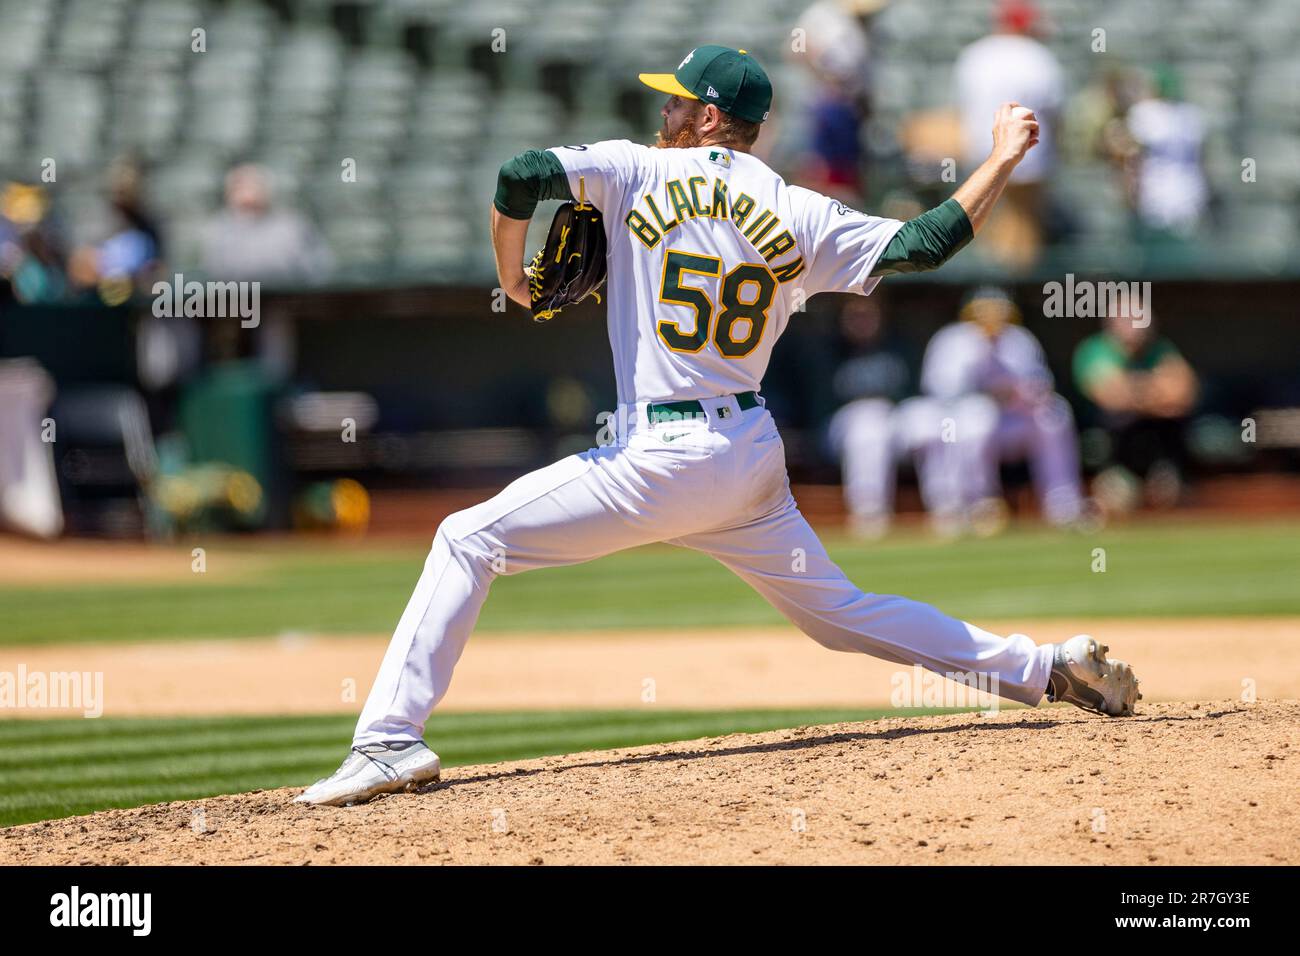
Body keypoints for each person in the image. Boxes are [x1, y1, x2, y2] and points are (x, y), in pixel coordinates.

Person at [296, 46, 1141, 808]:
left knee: (464, 539)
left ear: (706, 116)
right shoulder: (798, 208)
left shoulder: (635, 171)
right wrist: (999, 156)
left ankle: (388, 741)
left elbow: (520, 174)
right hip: (746, 458)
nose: (660, 114)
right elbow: (925, 244)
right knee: (839, 614)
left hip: (656, 458)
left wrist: (514, 283)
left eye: (674, 103)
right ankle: (1045, 667)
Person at [909, 287, 1086, 532]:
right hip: (957, 423)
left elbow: (1040, 383)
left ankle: (1063, 504)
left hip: (1010, 421)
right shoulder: (952, 339)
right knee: (978, 418)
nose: (992, 319)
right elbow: (940, 391)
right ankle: (975, 505)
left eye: (998, 313)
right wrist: (989, 388)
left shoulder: (1019, 339)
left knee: (1054, 414)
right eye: (984, 313)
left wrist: (1026, 394)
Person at [952, 0, 1064, 270]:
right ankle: (1015, 292)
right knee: (1023, 227)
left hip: (984, 150)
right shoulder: (1039, 56)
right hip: (1029, 153)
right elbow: (1055, 112)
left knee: (983, 219)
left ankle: (990, 290)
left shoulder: (975, 54)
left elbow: (963, 108)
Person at [1074, 305, 1198, 512]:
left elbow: (1184, 394)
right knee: (1119, 502)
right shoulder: (1095, 349)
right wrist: (1157, 391)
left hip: (1158, 451)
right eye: (1127, 319)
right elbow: (1113, 398)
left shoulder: (1160, 350)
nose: (1135, 326)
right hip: (1114, 453)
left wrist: (1134, 390)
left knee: (1169, 498)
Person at [825, 295, 913, 537]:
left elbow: (913, 392)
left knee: (933, 424)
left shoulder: (898, 348)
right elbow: (818, 402)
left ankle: (952, 507)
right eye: (855, 315)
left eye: (868, 315)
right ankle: (869, 511)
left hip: (893, 417)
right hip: (843, 425)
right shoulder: (828, 352)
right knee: (870, 426)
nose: (862, 321)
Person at [200, 164, 333, 284]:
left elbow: (317, 269)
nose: (247, 193)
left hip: (289, 301)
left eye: (253, 186)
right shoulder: (219, 228)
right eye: (239, 187)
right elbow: (216, 272)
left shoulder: (292, 225)